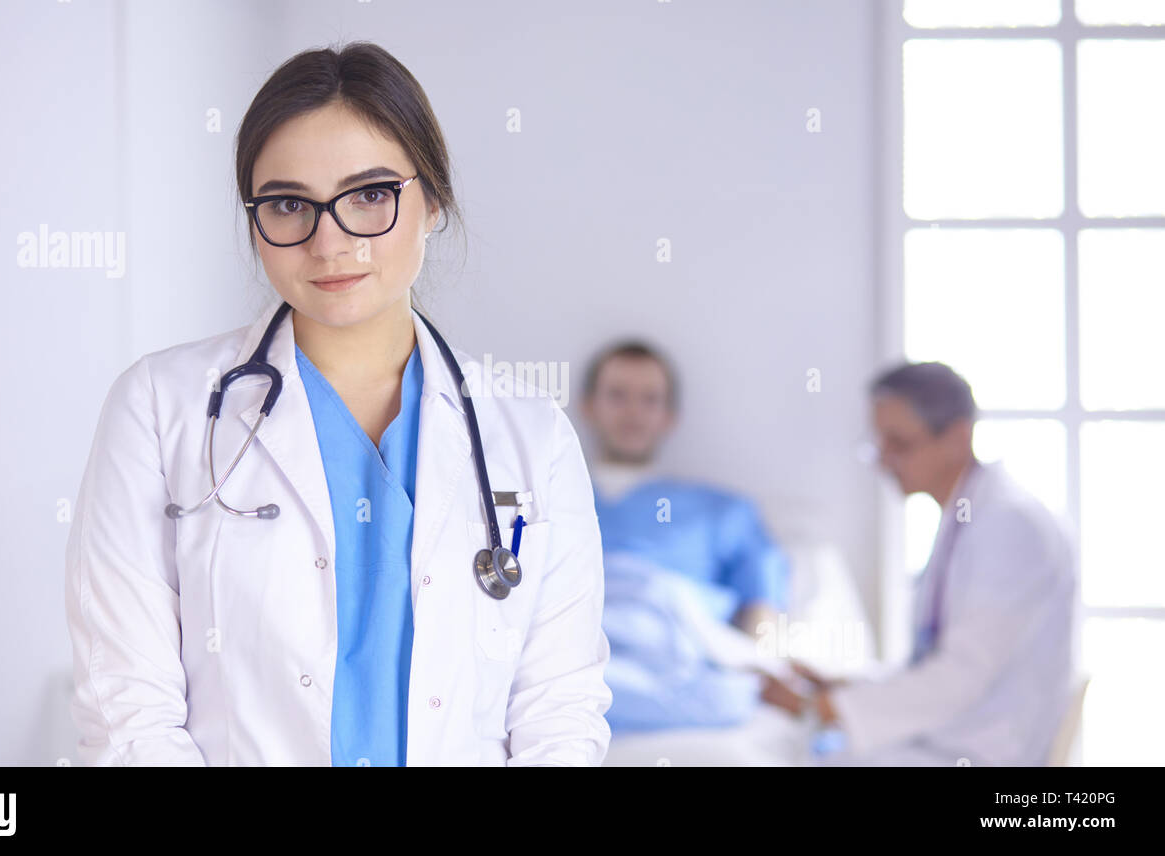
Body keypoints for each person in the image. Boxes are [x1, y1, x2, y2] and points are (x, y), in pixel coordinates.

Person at [63, 42, 612, 766]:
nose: (330, 241)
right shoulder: (159, 408)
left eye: (369, 195)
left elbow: (559, 714)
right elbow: (127, 707)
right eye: (289, 204)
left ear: (434, 200)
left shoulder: (532, 435)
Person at [761, 361, 1076, 766]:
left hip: (983, 751)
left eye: (900, 444)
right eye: (879, 443)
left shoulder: (1008, 525)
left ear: (958, 437)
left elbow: (959, 677)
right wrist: (842, 686)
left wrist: (821, 707)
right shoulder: (966, 517)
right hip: (954, 739)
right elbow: (933, 661)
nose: (883, 460)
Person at [579, 340, 789, 734]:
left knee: (731, 694)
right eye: (618, 396)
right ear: (589, 406)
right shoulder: (551, 500)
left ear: (669, 416)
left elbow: (763, 607)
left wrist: (759, 660)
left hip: (672, 650)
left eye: (650, 399)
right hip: (584, 642)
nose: (633, 413)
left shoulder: (722, 511)